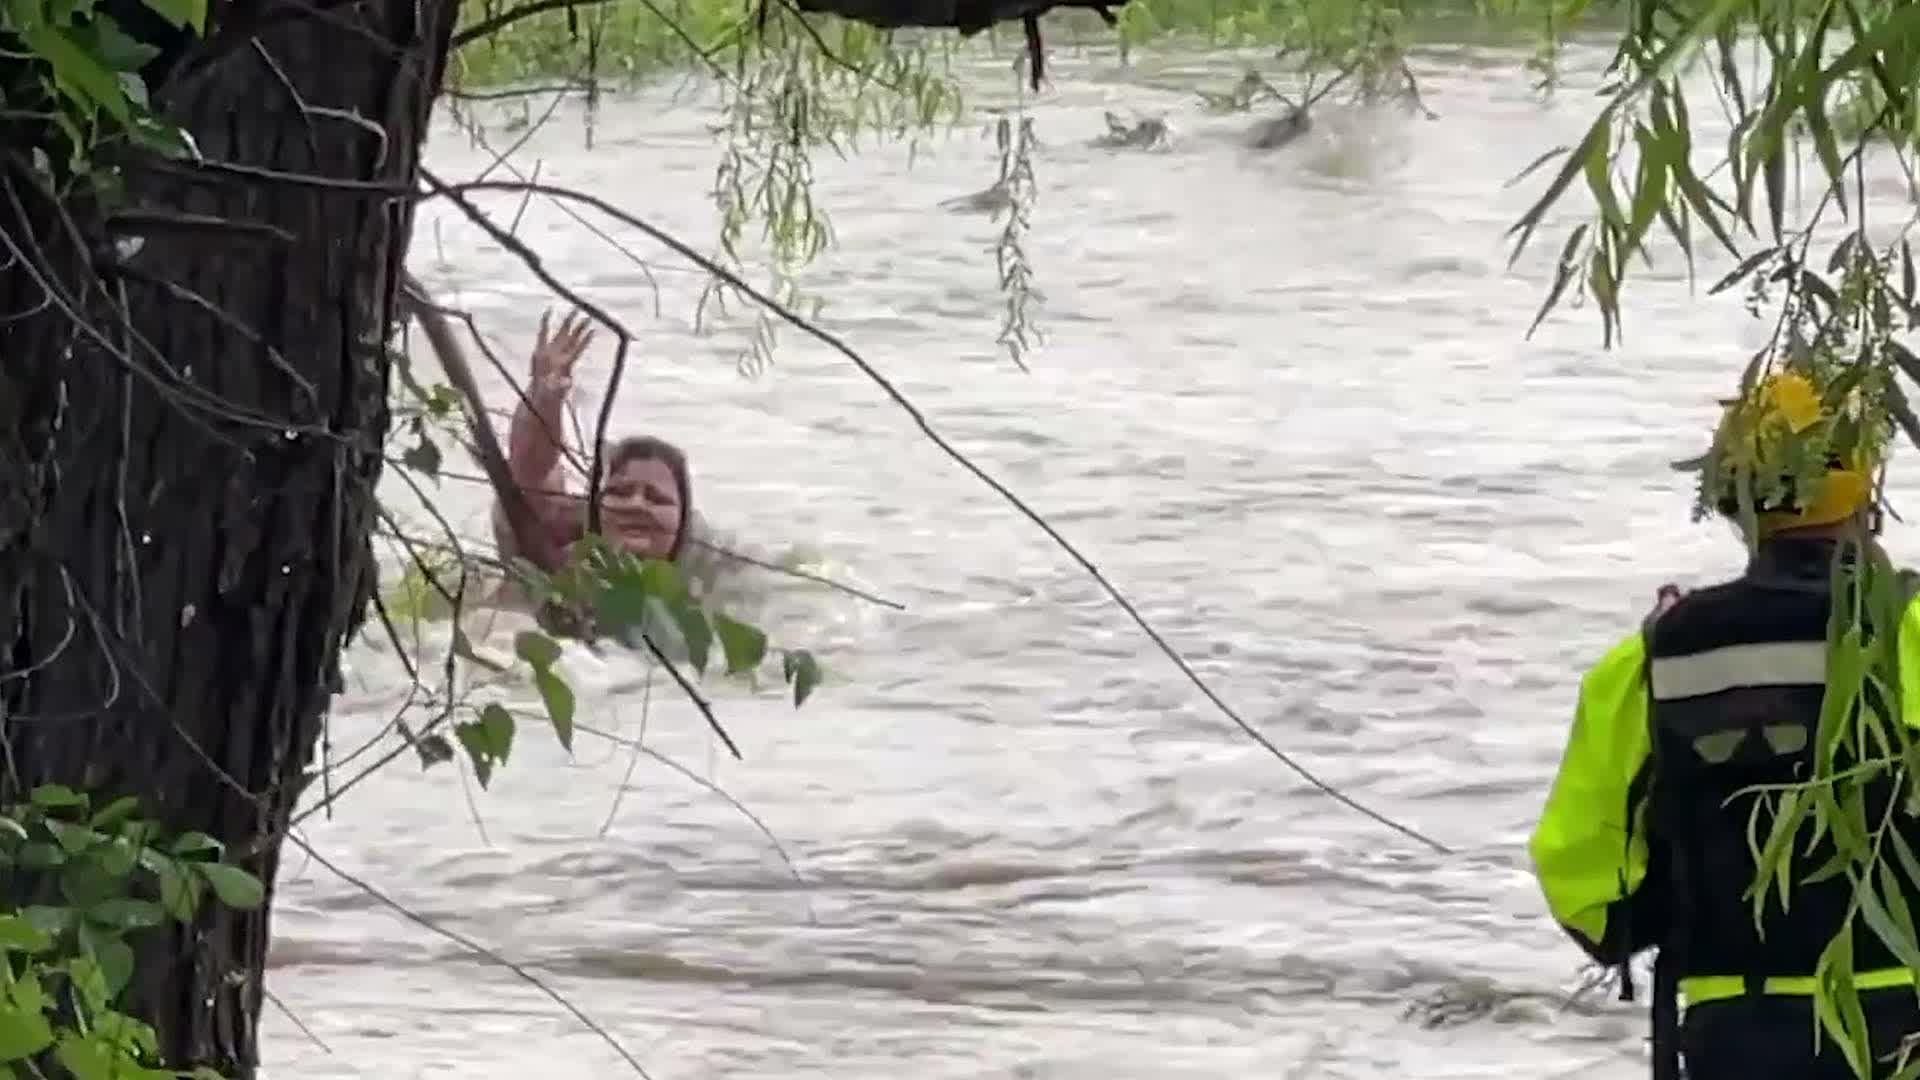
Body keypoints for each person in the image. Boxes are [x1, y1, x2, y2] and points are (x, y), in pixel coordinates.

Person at [1528, 369, 1920, 1079]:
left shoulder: (1651, 661)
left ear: (1733, 497)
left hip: (1734, 1034)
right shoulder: (1911, 632)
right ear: (1869, 484)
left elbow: (1590, 893)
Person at [489, 309, 698, 575]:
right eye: (620, 493)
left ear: (682, 520)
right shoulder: (569, 546)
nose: (636, 505)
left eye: (656, 498)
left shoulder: (710, 566)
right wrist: (544, 399)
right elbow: (533, 478)